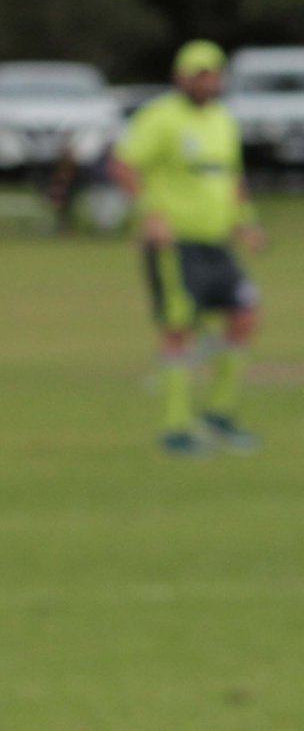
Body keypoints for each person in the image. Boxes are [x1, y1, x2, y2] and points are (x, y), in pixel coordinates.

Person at [108, 41, 266, 455]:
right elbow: (123, 164)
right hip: (175, 245)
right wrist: (150, 214)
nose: (205, 81)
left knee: (245, 316)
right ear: (180, 76)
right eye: (197, 73)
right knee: (179, 329)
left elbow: (232, 179)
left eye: (212, 73)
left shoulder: (223, 121)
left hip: (217, 243)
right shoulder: (161, 118)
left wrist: (245, 222)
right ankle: (176, 427)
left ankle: (219, 412)